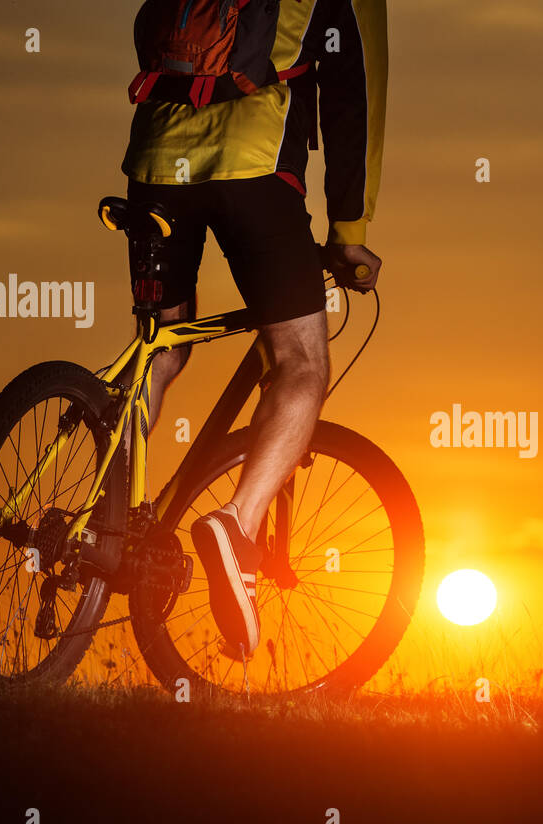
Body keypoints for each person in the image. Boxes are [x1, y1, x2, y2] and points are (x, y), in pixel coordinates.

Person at [119, 0, 388, 660]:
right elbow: (354, 102)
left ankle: (108, 525)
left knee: (159, 351)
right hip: (255, 171)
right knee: (301, 360)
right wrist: (348, 237)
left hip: (155, 165)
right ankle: (235, 528)